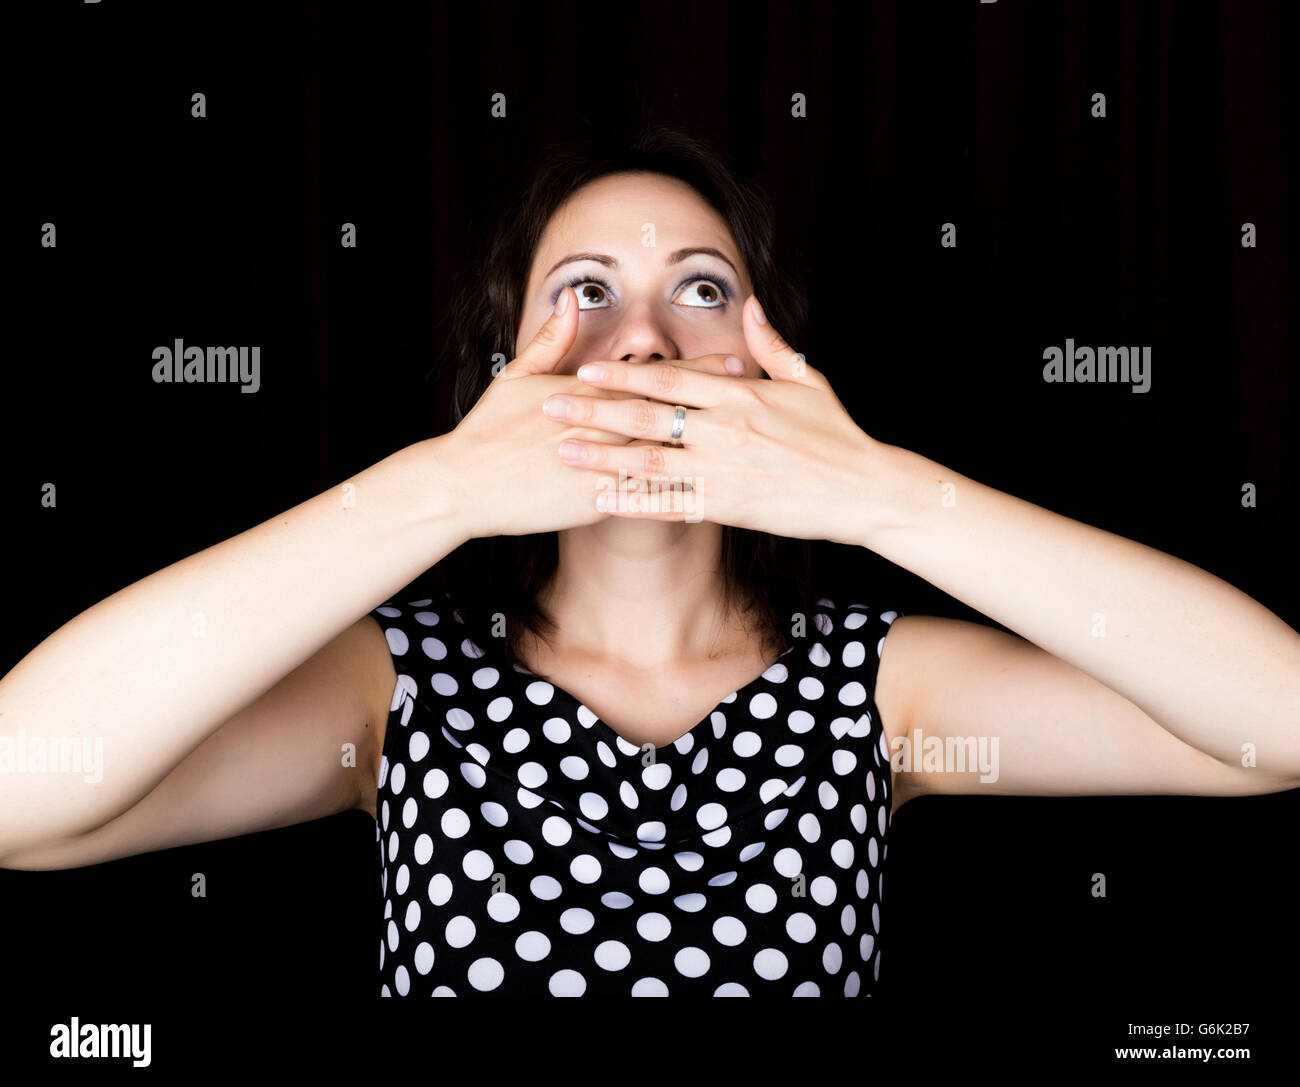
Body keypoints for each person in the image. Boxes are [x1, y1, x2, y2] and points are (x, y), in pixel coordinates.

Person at [2, 129, 1297, 999]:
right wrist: (439, 488)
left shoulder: (882, 693)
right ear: (504, 370)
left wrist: (883, 496)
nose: (639, 344)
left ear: (772, 359)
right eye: (580, 292)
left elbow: (1280, 727)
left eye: (701, 290)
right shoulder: (395, 697)